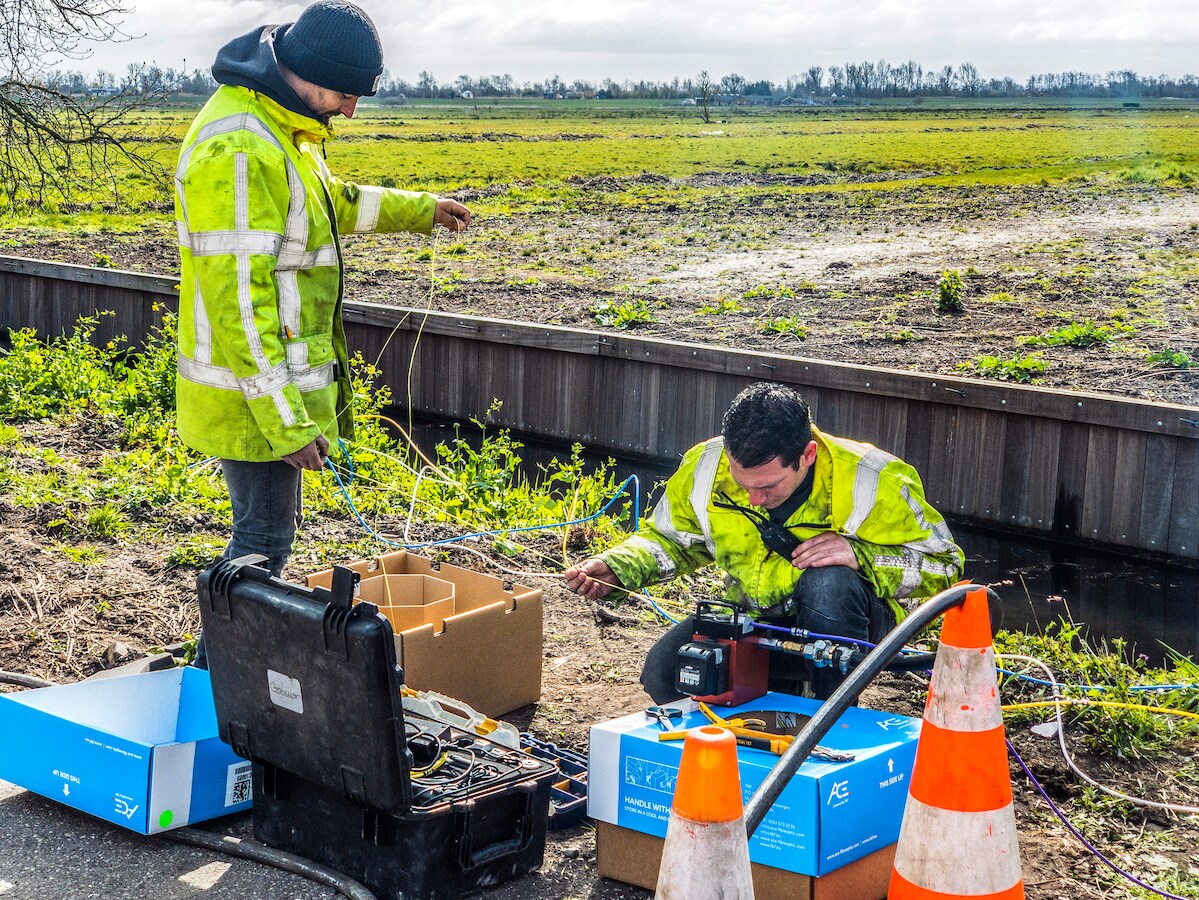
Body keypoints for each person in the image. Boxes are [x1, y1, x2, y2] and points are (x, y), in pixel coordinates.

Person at [173, 0, 471, 589]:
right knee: (261, 545)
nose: (350, 110)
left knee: (266, 538)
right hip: (252, 399)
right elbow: (240, 305)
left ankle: (231, 645)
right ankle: (220, 649)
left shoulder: (281, 126)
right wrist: (287, 423)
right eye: (345, 93)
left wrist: (423, 210)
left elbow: (328, 202)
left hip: (263, 394)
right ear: (307, 72)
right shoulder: (242, 149)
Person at [565, 382, 964, 701]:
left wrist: (861, 556)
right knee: (665, 671)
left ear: (807, 455)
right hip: (757, 618)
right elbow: (672, 540)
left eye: (769, 486)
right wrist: (618, 566)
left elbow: (945, 567)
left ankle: (830, 720)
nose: (754, 499)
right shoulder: (706, 467)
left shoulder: (875, 480)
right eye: (744, 484)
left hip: (850, 628)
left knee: (828, 584)